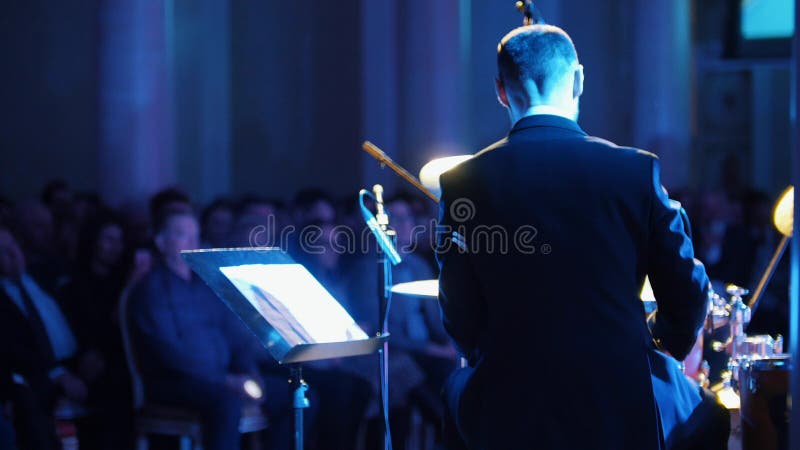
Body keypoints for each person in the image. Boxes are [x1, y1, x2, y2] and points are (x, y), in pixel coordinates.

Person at [437, 25, 711, 449]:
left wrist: (495, 353)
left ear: (500, 91)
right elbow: (687, 290)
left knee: (456, 395)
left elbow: (459, 310)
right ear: (579, 79)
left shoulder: (462, 181)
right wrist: (660, 340)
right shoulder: (635, 172)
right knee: (709, 415)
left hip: (510, 402)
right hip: (619, 398)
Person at [127, 211, 276, 450]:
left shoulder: (205, 284)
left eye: (195, 236)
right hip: (175, 381)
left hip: (222, 376)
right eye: (182, 235)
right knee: (226, 403)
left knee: (288, 394)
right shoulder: (151, 290)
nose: (191, 243)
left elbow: (233, 336)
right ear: (161, 242)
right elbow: (170, 354)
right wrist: (227, 380)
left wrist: (249, 371)